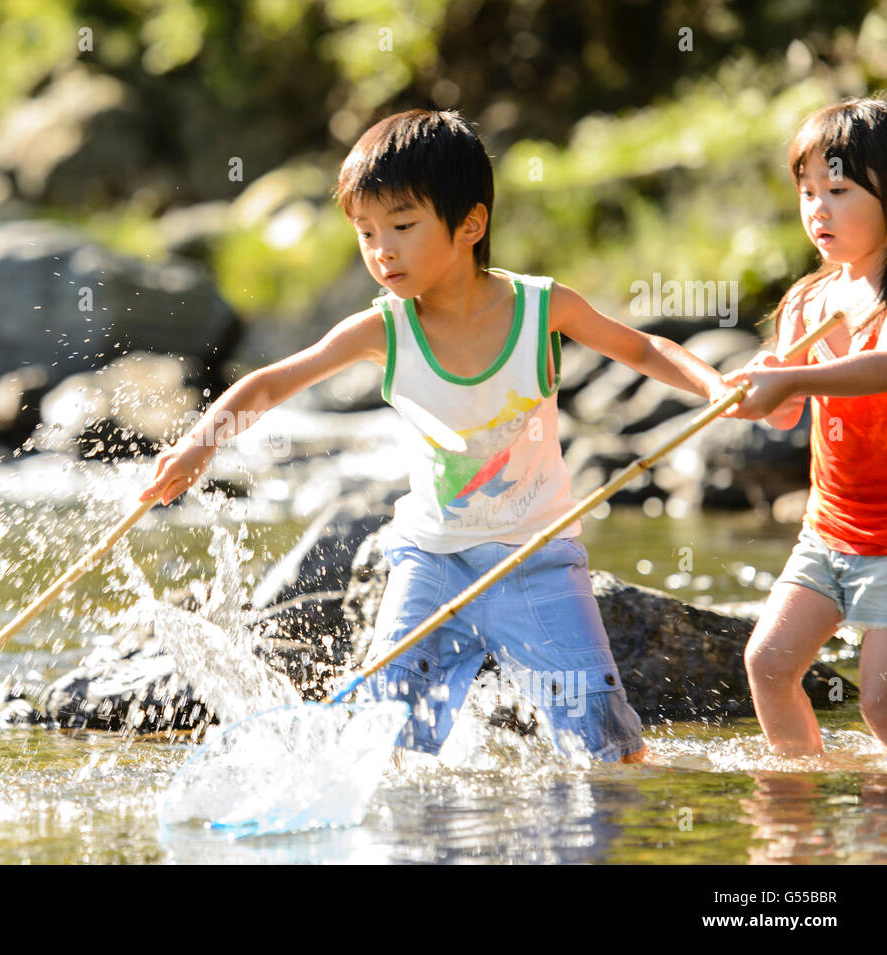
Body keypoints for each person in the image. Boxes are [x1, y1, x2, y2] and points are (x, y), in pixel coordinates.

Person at [140, 108, 728, 764]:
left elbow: (643, 349)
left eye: (402, 226)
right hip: (429, 563)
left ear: (470, 224)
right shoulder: (383, 330)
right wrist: (201, 440)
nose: (381, 250)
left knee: (603, 747)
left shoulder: (541, 309)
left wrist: (715, 387)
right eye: (365, 232)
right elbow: (273, 383)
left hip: (535, 559)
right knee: (387, 745)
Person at [723, 98, 887, 757]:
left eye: (839, 189)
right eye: (808, 191)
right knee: (767, 664)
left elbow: (878, 369)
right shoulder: (807, 300)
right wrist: (765, 387)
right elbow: (787, 410)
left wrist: (797, 379)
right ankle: (799, 808)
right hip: (830, 530)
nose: (818, 208)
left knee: (878, 698)